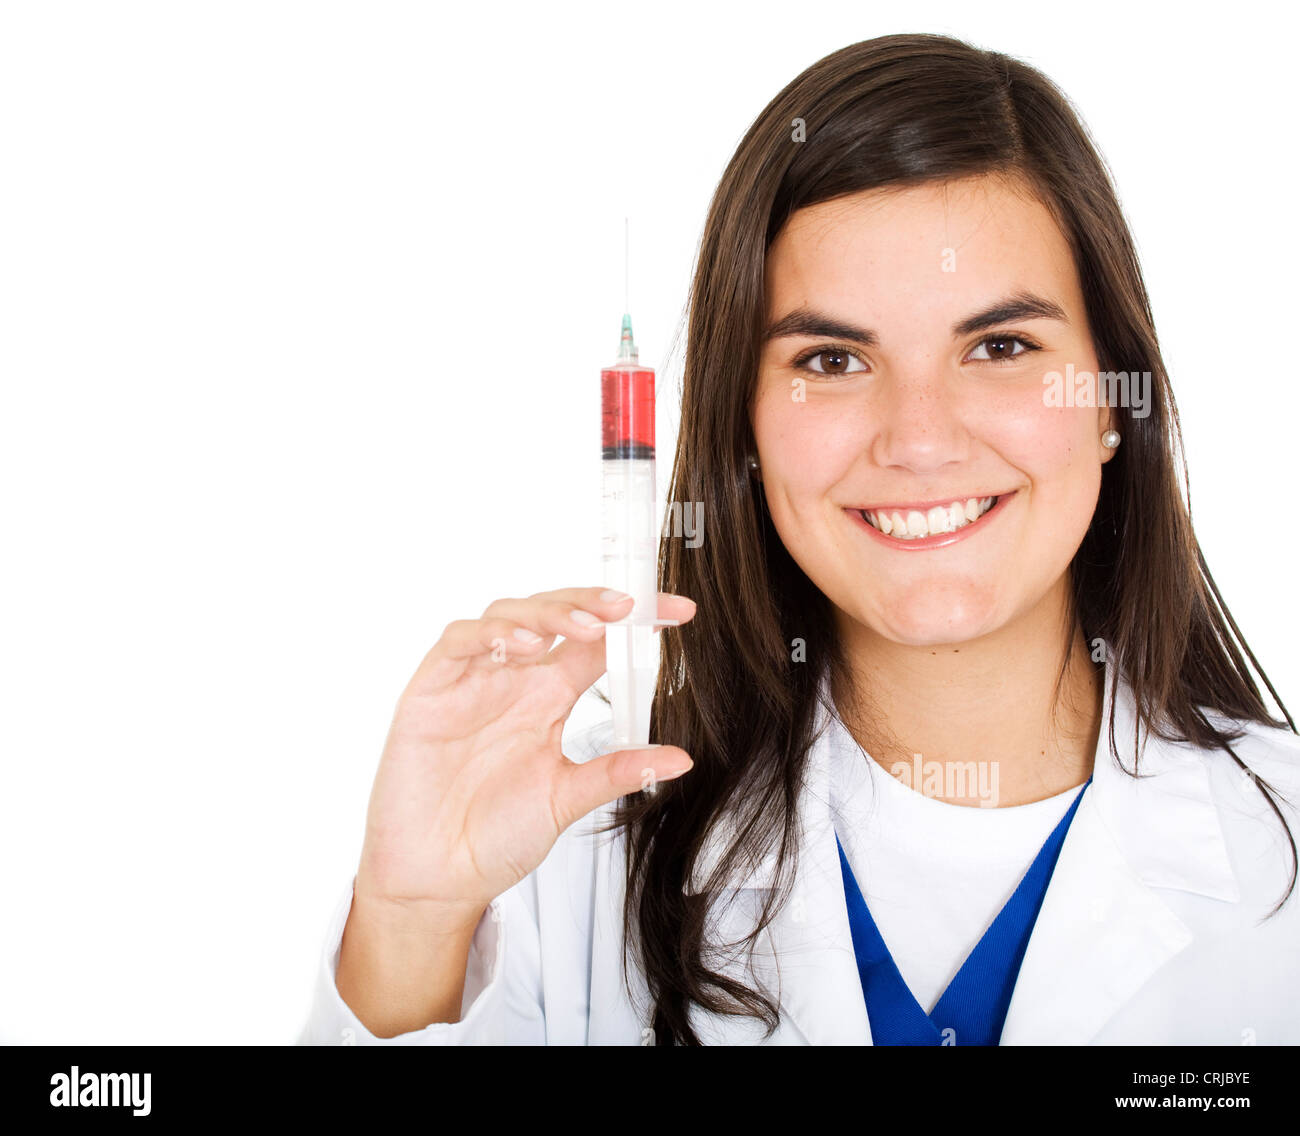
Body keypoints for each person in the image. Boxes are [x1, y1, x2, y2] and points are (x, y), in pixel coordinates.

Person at [297, 33, 1300, 1046]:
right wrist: (412, 917)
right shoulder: (573, 848)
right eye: (831, 357)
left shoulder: (1280, 850)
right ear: (744, 423)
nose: (918, 439)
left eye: (999, 346)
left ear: (1108, 400)